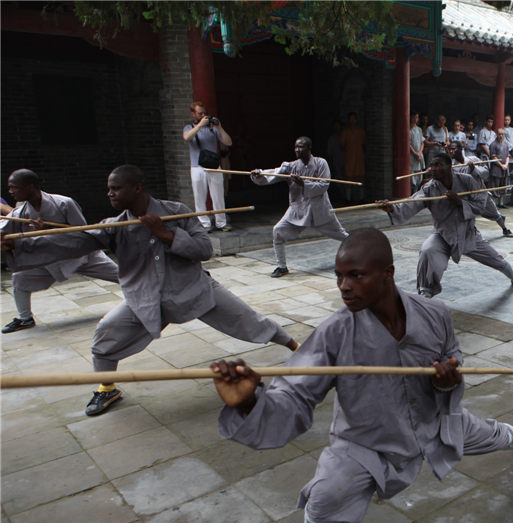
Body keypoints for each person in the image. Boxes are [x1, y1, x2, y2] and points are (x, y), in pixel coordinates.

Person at [210, 228, 513, 523]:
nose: (344, 286)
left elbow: (454, 356)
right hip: (366, 440)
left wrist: (448, 380)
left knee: (493, 434)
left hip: (434, 423)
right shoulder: (335, 332)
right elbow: (294, 393)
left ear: (387, 273)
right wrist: (249, 402)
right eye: (339, 276)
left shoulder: (434, 313)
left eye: (356, 275)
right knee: (325, 497)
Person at [1, 165, 299, 416]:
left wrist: (165, 234)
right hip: (145, 296)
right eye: (109, 189)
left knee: (250, 320)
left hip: (193, 289)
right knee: (106, 333)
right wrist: (21, 244)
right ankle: (107, 388)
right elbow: (72, 242)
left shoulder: (175, 212)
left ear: (137, 188)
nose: (110, 194)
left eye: (116, 188)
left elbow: (204, 249)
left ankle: (299, 350)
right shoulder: (114, 225)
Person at [377, 154, 513, 298]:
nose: (434, 169)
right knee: (427, 250)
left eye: (438, 165)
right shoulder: (430, 188)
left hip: (467, 233)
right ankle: (425, 293)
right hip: (442, 234)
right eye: (432, 165)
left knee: (496, 259)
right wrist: (391, 208)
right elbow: (412, 202)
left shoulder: (467, 181)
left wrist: (459, 202)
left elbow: (480, 204)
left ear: (449, 166)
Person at [0, 169, 119, 333]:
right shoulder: (20, 212)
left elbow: (83, 233)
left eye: (14, 187)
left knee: (123, 275)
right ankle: (25, 318)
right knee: (20, 278)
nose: (11, 192)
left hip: (81, 256)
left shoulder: (64, 203)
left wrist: (49, 228)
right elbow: (4, 231)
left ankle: (153, 295)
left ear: (30, 186)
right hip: (49, 260)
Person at [251, 137, 349, 278]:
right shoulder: (290, 167)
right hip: (298, 209)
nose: (297, 150)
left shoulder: (321, 163)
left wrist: (304, 184)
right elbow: (273, 174)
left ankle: (361, 253)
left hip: (319, 209)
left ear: (309, 149)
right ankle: (282, 266)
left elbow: (324, 185)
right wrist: (260, 174)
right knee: (278, 231)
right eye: (296, 147)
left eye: (301, 147)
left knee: (343, 235)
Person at [182, 101, 233, 231]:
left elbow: (228, 142)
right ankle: (204, 223)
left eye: (204, 113)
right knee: (199, 196)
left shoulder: (213, 129)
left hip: (213, 166)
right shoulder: (189, 127)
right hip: (197, 166)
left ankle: (221, 222)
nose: (203, 115)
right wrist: (200, 125)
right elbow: (187, 137)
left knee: (218, 195)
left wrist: (219, 127)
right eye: (200, 113)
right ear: (193, 114)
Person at [448, 141, 513, 238]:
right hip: (467, 196)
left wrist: (474, 169)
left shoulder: (473, 159)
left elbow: (486, 172)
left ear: (461, 149)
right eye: (450, 149)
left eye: (454, 149)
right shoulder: (452, 167)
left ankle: (504, 228)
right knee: (467, 216)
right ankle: (471, 236)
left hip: (480, 193)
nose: (451, 151)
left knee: (494, 213)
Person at [340, 113, 366, 203]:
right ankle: (348, 198)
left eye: (354, 119)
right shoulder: (345, 132)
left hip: (359, 157)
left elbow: (363, 143)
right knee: (348, 177)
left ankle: (361, 197)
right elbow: (342, 145)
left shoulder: (360, 131)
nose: (352, 121)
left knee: (360, 177)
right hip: (349, 157)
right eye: (350, 119)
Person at [488, 128, 511, 209]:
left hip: (505, 167)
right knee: (495, 186)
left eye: (502, 134)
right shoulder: (493, 144)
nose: (501, 136)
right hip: (496, 168)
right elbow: (493, 157)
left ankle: (501, 203)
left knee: (503, 185)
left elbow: (508, 156)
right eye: (499, 134)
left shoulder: (506, 144)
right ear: (496, 134)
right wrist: (501, 165)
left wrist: (506, 164)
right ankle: (494, 204)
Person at [409, 112, 425, 192]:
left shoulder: (419, 129)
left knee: (419, 174)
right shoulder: (408, 129)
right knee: (412, 175)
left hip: (419, 155)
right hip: (412, 156)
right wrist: (415, 153)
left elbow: (422, 142)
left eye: (417, 117)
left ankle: (417, 192)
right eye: (414, 117)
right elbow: (408, 144)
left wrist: (419, 153)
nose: (415, 119)